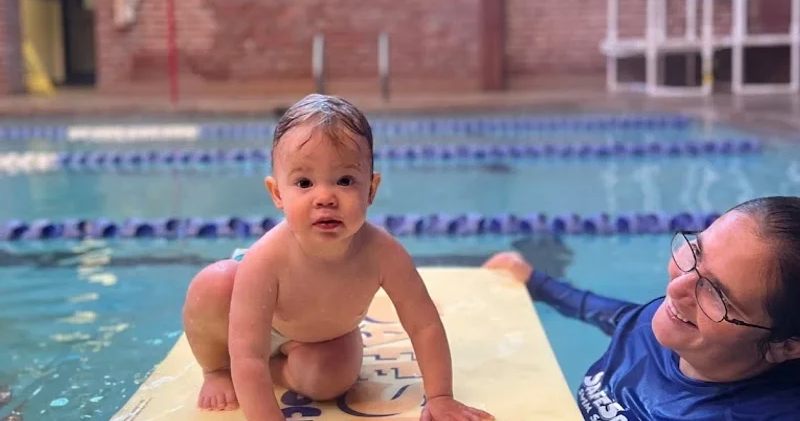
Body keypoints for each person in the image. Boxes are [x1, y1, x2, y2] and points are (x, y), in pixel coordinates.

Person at [182, 94, 494, 421]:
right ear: (277, 194)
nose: (325, 197)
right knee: (213, 284)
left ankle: (279, 370)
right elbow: (247, 354)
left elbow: (424, 324)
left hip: (321, 339)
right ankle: (217, 368)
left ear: (371, 190)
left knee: (332, 379)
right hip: (249, 326)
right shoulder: (266, 259)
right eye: (304, 182)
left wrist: (440, 396)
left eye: (345, 180)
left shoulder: (383, 253)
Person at [483, 196, 800, 420]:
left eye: (717, 294)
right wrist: (538, 284)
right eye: (695, 253)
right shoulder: (661, 326)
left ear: (786, 346)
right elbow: (621, 319)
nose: (676, 289)